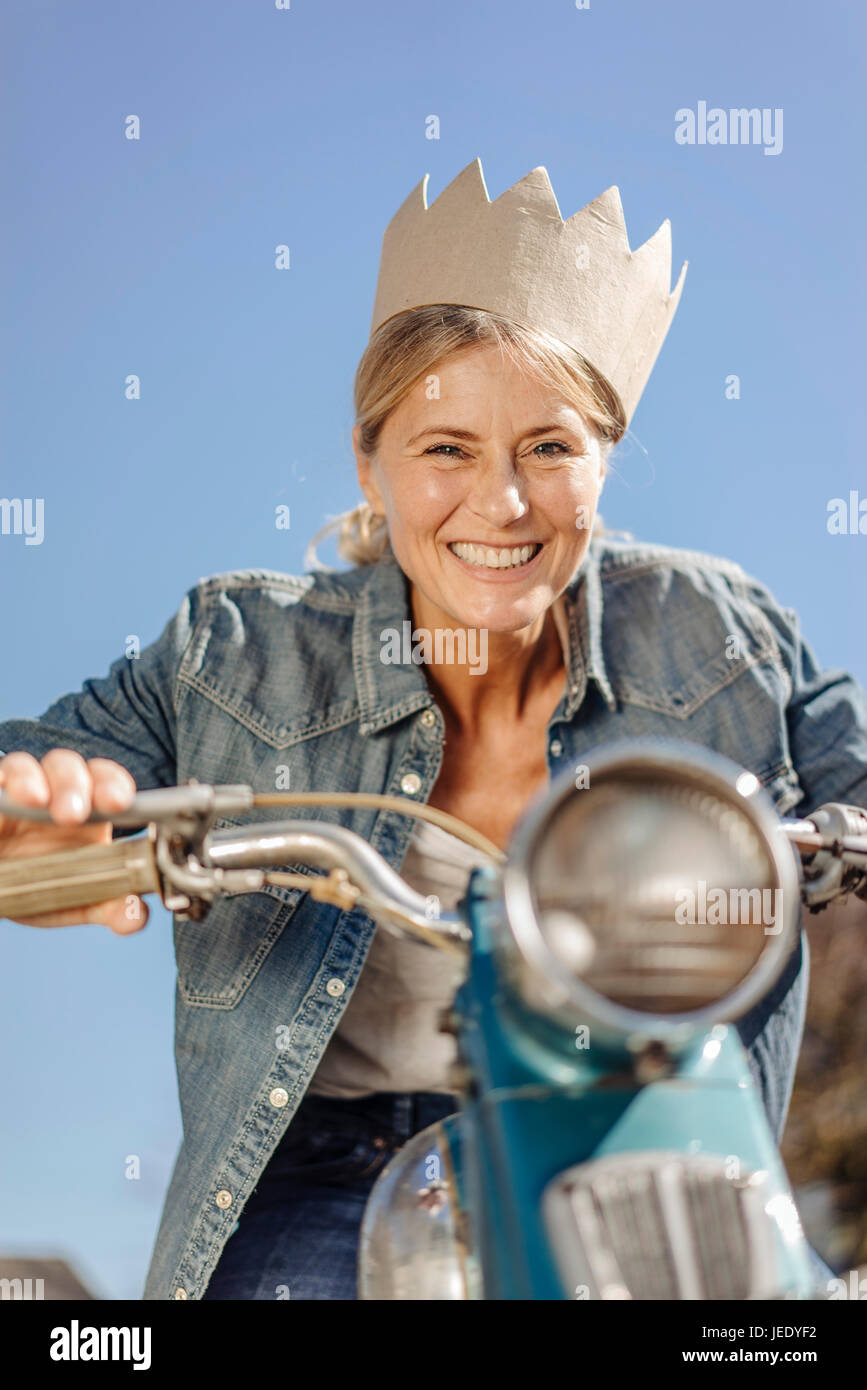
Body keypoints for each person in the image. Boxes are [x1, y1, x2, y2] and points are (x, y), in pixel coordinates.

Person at [1, 159, 865, 1301]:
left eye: (550, 448)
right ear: (372, 460)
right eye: (446, 447)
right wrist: (42, 813)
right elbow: (52, 777)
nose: (501, 505)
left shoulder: (723, 632)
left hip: (640, 1115)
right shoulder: (233, 650)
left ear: (604, 456)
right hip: (328, 1164)